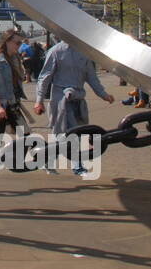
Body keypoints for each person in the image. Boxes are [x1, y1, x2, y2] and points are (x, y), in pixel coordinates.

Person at [34, 38, 115, 176]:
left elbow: (92, 77)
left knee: (72, 133)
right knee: (69, 133)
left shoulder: (85, 53)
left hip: (78, 98)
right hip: (61, 100)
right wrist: (39, 100)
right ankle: (77, 166)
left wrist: (103, 94)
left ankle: (48, 160)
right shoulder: (55, 52)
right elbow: (44, 77)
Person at [0, 30, 31, 167]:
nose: (19, 45)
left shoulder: (15, 59)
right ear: (7, 42)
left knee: (24, 133)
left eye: (20, 42)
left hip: (13, 103)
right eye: (17, 42)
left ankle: (18, 162)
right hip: (0, 105)